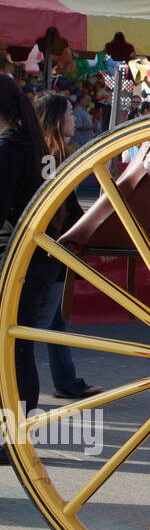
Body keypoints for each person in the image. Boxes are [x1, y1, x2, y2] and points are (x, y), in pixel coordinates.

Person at [31, 93, 102, 400]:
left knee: (56, 321)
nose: (76, 119)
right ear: (57, 118)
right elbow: (55, 204)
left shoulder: (53, 153)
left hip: (52, 251)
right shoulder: (49, 156)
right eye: (70, 113)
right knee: (40, 325)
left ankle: (67, 381)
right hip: (47, 252)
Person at [0, 75, 47, 462]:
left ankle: (12, 436)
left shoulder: (10, 146)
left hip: (18, 258)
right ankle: (18, 431)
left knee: (11, 350)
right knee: (20, 348)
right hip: (41, 257)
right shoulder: (34, 141)